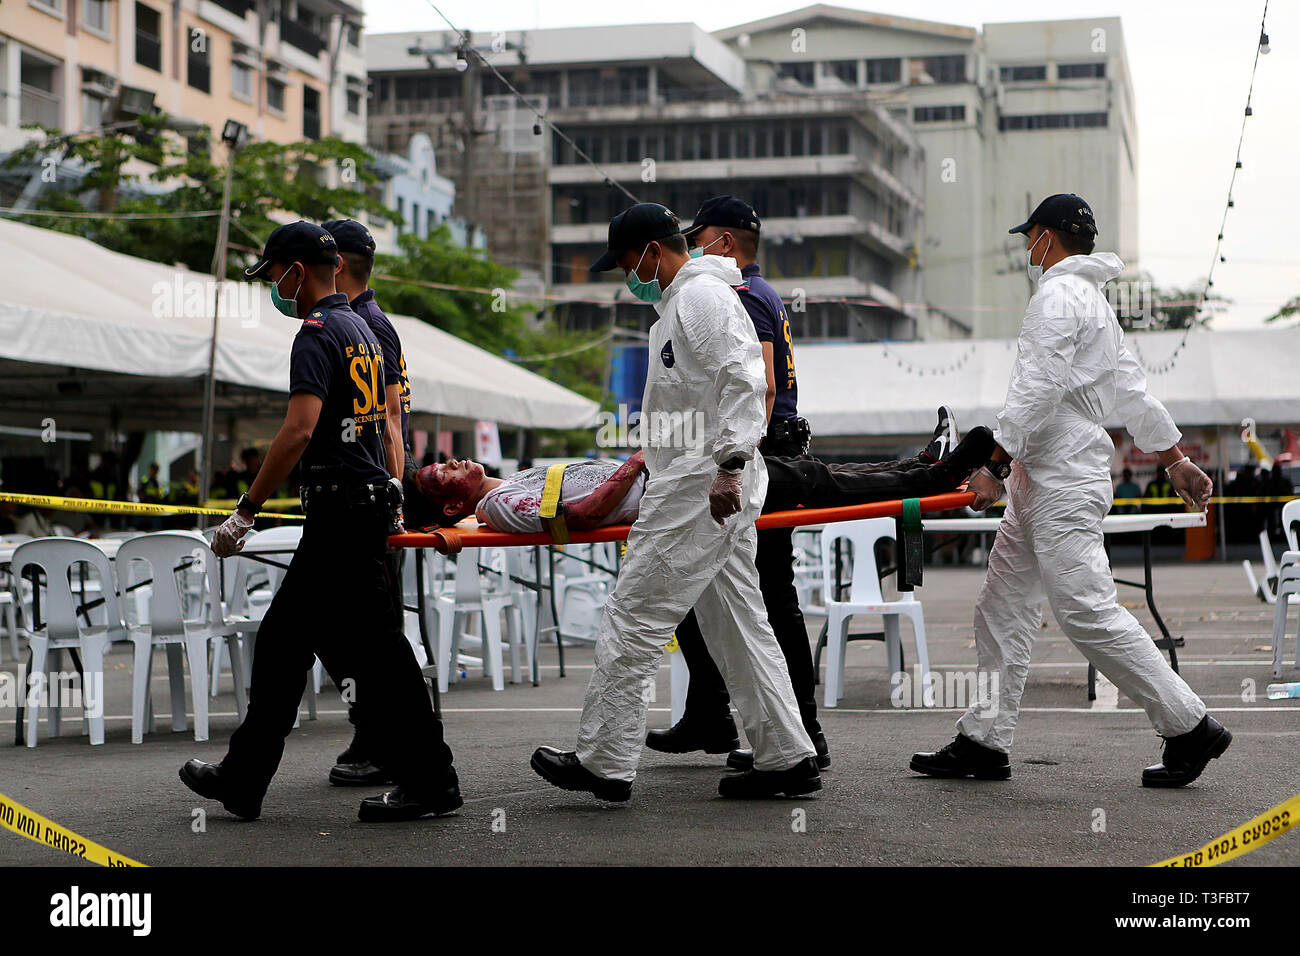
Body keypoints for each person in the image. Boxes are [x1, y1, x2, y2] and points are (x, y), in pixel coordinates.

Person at [909, 193, 1230, 788]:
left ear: (1046, 239)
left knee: (1086, 612)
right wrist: (1175, 458)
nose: (1026, 250)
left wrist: (995, 466)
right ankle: (983, 739)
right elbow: (1133, 392)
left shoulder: (1056, 296)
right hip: (1048, 479)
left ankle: (1189, 725)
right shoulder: (1095, 305)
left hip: (1058, 479)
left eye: (1028, 238)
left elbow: (1037, 385)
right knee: (1001, 609)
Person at [530, 203, 819, 801]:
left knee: (633, 616)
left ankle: (604, 761)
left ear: (651, 253)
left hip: (700, 487)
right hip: (701, 484)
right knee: (739, 624)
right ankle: (786, 754)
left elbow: (747, 380)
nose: (624, 277)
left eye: (626, 264)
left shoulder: (700, 300)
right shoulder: (681, 306)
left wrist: (730, 466)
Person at [178, 221, 459, 822]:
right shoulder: (362, 327)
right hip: (360, 506)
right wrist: (392, 491)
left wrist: (246, 511)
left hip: (340, 512)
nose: (273, 288)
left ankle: (431, 783)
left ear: (296, 271)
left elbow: (299, 430)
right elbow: (387, 424)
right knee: (295, 644)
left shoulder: (315, 335)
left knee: (370, 655)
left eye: (274, 275)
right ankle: (245, 779)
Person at [646, 195, 826, 770]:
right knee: (729, 595)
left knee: (768, 596)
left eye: (698, 238)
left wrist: (733, 459)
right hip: (764, 449)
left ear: (724, 243)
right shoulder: (752, 293)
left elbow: (762, 385)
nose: (690, 248)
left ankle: (802, 731)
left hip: (758, 453)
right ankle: (716, 714)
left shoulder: (737, 296)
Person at [410, 428, 993, 535]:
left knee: (810, 475)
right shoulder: (502, 506)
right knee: (811, 480)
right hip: (674, 494)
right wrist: (637, 463)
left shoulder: (512, 482)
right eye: (446, 473)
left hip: (672, 479)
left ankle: (922, 470)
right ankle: (933, 477)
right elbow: (583, 514)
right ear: (452, 501)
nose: (457, 463)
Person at [321, 217, 415, 788]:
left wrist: (393, 502)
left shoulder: (367, 327)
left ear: (338, 265)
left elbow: (393, 423)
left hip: (371, 500)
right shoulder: (361, 322)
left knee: (366, 629)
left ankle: (388, 738)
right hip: (362, 499)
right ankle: (376, 730)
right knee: (341, 624)